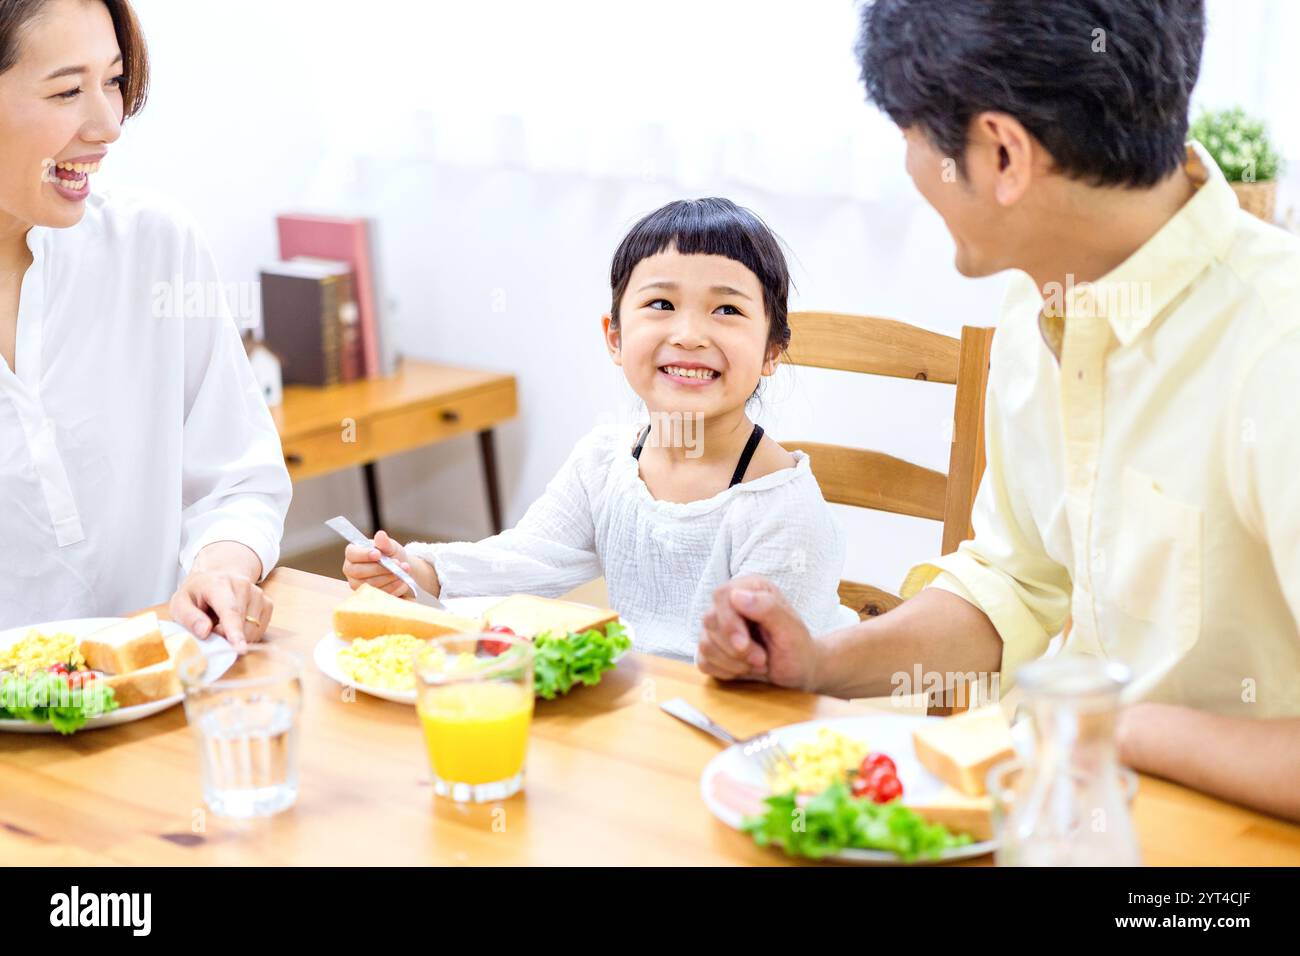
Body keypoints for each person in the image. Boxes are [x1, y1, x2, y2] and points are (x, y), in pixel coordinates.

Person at [696, 0, 1300, 821]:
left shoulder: (1276, 347)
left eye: (909, 129)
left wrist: (1122, 729)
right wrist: (819, 662)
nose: (908, 160)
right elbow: (1014, 583)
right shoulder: (1039, 304)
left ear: (1004, 153)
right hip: (1052, 817)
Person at [343, 198, 855, 660]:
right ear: (614, 337)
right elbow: (530, 558)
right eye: (661, 304)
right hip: (649, 712)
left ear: (771, 351)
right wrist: (421, 570)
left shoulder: (780, 510)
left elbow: (776, 679)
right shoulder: (604, 463)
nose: (689, 335)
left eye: (727, 309)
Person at [0, 0, 291, 648]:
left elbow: (239, 478)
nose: (107, 125)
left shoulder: (154, 248)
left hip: (163, 695)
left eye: (113, 80)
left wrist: (220, 567)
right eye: (69, 90)